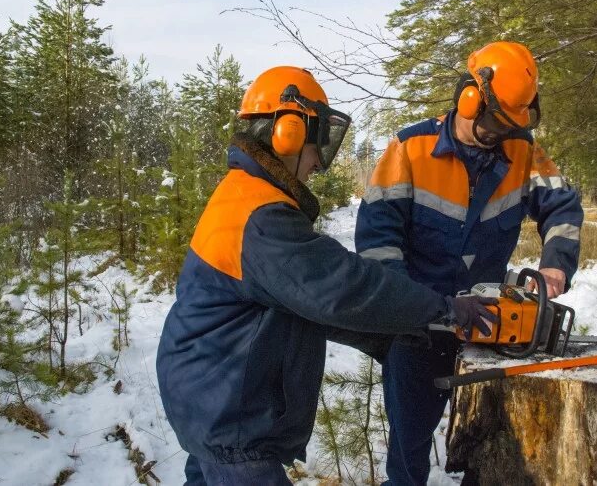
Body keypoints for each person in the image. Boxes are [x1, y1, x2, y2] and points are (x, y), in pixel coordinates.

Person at [156, 66, 500, 486]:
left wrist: (391, 337)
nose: (319, 161)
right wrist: (442, 308)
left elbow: (300, 305)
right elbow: (343, 287)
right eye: (318, 143)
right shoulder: (261, 218)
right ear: (289, 133)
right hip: (230, 414)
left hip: (210, 396)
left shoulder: (244, 195)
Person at [355, 41, 584, 485]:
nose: (500, 133)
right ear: (469, 96)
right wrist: (414, 309)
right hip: (419, 329)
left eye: (509, 124)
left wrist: (555, 265)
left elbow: (563, 207)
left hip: (488, 331)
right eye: (495, 121)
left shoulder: (522, 151)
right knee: (408, 458)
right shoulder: (409, 149)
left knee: (496, 448)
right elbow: (378, 248)